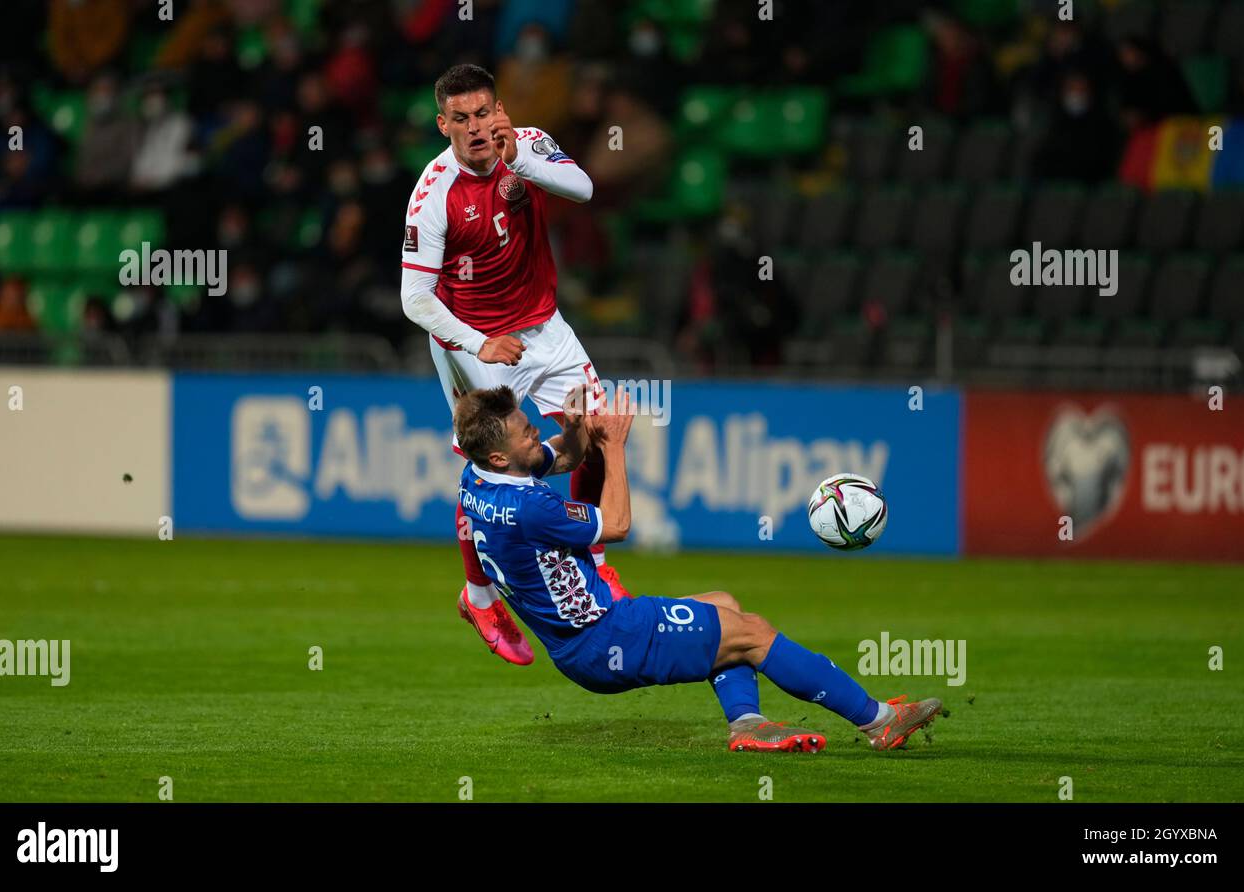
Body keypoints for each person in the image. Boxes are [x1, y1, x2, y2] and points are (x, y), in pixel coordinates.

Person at [451, 384, 943, 753]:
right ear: (500, 453)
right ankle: (879, 722)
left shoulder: (479, 477)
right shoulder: (531, 509)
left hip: (583, 639)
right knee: (753, 633)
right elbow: (618, 524)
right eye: (525, 431)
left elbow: (562, 456)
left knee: (724, 605)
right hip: (605, 636)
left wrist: (579, 429)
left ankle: (747, 726)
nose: (536, 431)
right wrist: (616, 445)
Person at [400, 63, 631, 668]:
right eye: (462, 119)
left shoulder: (526, 145)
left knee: (598, 432)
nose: (476, 128)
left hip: (545, 328)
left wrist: (520, 158)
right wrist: (479, 345)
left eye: (484, 113)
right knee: (498, 473)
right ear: (442, 124)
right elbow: (414, 299)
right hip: (472, 341)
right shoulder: (433, 194)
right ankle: (479, 597)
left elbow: (583, 188)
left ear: (497, 110)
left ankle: (594, 566)